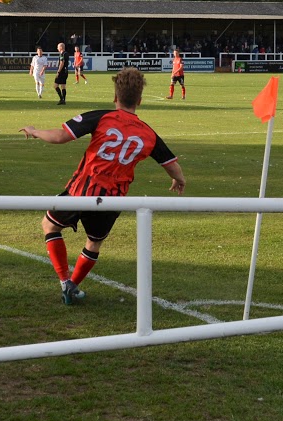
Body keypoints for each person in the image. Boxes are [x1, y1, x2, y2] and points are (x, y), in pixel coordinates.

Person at [18, 67, 185, 305]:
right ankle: (73, 286)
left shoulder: (101, 117)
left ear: (115, 97)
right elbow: (171, 164)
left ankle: (65, 281)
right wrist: (179, 180)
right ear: (139, 100)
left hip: (81, 191)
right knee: (94, 243)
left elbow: (60, 136)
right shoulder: (149, 134)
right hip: (112, 199)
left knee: (50, 225)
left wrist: (35, 132)